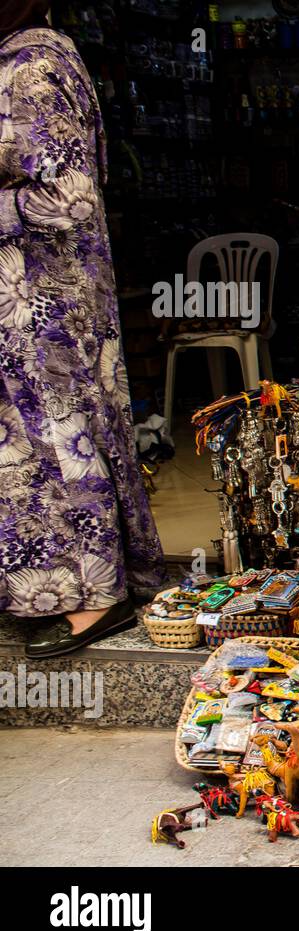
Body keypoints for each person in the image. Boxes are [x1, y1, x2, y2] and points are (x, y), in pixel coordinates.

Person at [0, 0, 164, 657]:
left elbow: (67, 195)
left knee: (66, 439)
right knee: (31, 451)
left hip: (48, 304)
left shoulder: (35, 68)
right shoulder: (21, 61)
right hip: (25, 306)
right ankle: (55, 588)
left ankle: (97, 595)